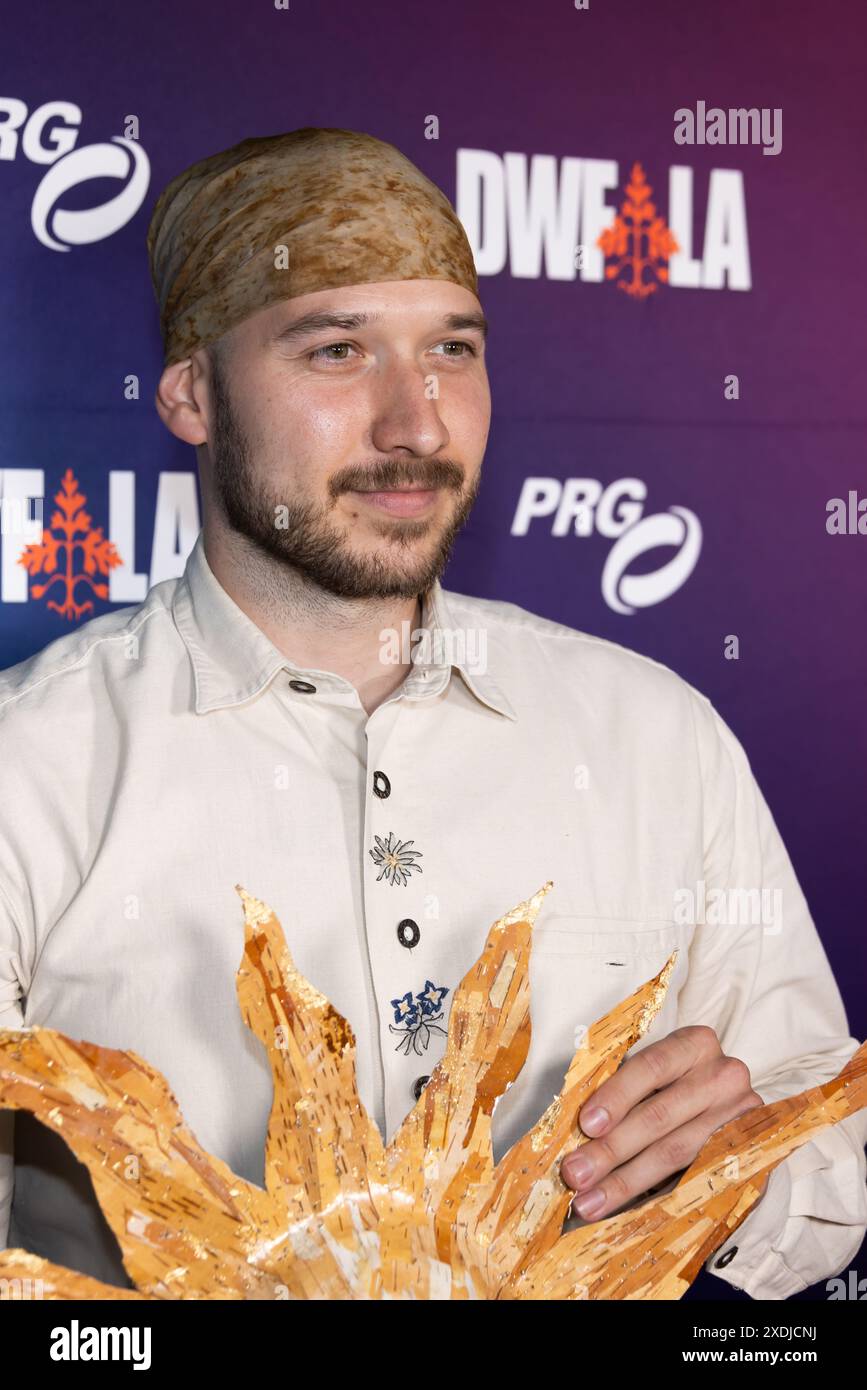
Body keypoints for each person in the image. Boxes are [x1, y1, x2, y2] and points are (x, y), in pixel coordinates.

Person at [0, 127, 864, 1299]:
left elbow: (828, 1173)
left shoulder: (656, 738)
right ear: (194, 392)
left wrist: (738, 1165)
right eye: (339, 350)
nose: (417, 422)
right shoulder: (32, 763)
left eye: (451, 349)